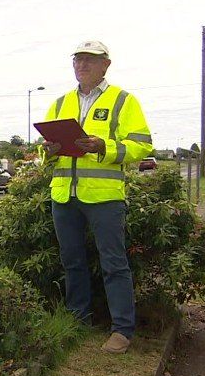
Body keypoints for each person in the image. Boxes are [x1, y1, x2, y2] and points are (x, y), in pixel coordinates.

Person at [42, 41, 153, 354]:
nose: (82, 65)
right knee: (72, 262)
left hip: (104, 197)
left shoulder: (123, 100)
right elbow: (46, 149)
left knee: (114, 263)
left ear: (106, 64)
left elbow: (142, 146)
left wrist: (103, 146)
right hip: (64, 196)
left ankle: (122, 330)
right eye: (78, 60)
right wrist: (47, 151)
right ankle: (78, 320)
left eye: (89, 60)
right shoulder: (60, 102)